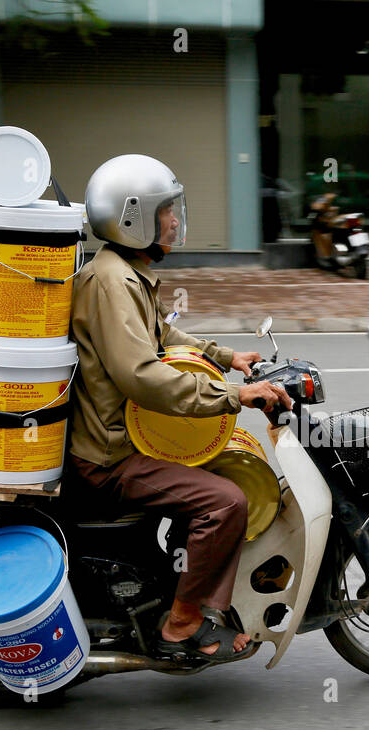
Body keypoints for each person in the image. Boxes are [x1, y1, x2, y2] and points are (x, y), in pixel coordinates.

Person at [70, 154, 292, 664]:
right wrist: (233, 397)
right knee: (226, 501)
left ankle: (205, 602)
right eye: (165, 211)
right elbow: (142, 377)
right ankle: (181, 623)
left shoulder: (123, 273)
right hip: (111, 455)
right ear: (133, 218)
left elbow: (163, 334)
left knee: (226, 473)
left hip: (123, 439)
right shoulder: (113, 282)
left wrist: (227, 357)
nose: (174, 221)